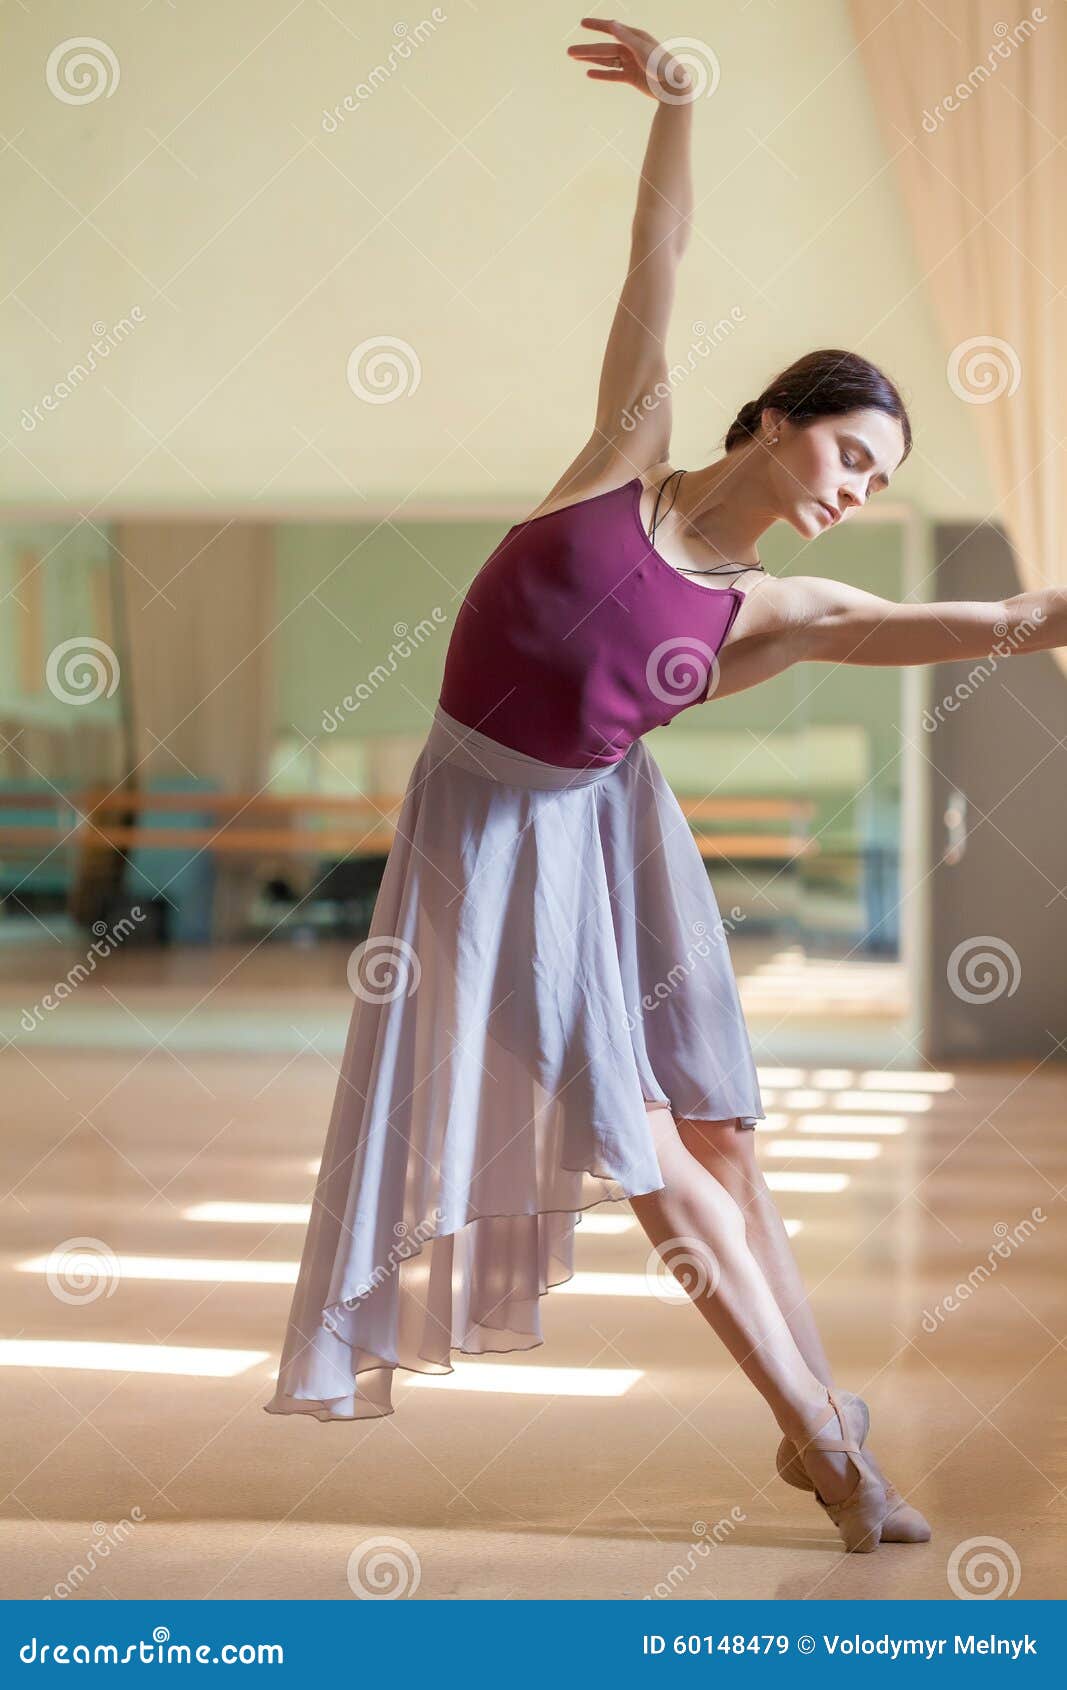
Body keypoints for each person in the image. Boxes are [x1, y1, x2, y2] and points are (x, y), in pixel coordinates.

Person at [265, 17, 1066, 1555]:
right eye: (848, 451)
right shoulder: (616, 459)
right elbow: (661, 248)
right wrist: (686, 96)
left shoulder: (775, 614)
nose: (855, 491)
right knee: (637, 1143)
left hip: (608, 831)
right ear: (771, 418)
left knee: (720, 1141)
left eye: (882, 482)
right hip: (485, 840)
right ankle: (831, 1450)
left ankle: (817, 1412)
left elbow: (1011, 621)